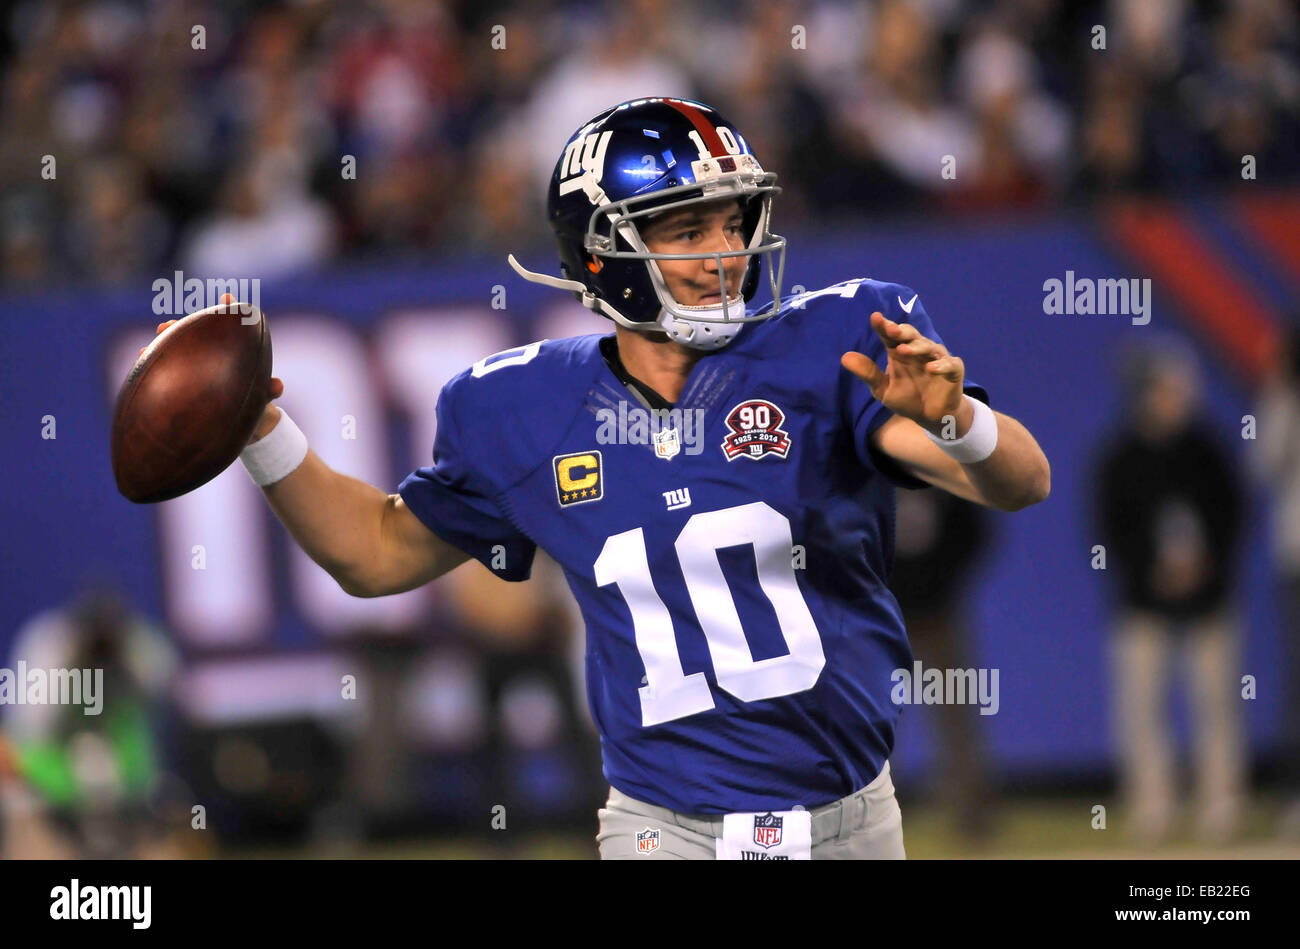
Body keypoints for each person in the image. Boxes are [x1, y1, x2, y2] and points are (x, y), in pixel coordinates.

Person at [155, 98, 1049, 859]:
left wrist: (957, 420)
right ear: (601, 254)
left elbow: (1020, 481)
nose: (724, 252)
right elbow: (375, 552)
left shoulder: (834, 343)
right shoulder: (520, 405)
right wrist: (262, 433)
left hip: (850, 820)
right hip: (664, 830)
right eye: (688, 228)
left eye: (734, 221)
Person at [1093, 338, 1247, 844]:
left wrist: (1206, 565)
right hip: (1142, 600)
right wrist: (1149, 570)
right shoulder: (1121, 456)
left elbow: (1234, 517)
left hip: (1209, 599)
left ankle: (1222, 804)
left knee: (1216, 703)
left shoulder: (1207, 451)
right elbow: (1108, 530)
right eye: (1165, 388)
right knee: (1141, 707)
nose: (1176, 397)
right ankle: (1153, 807)